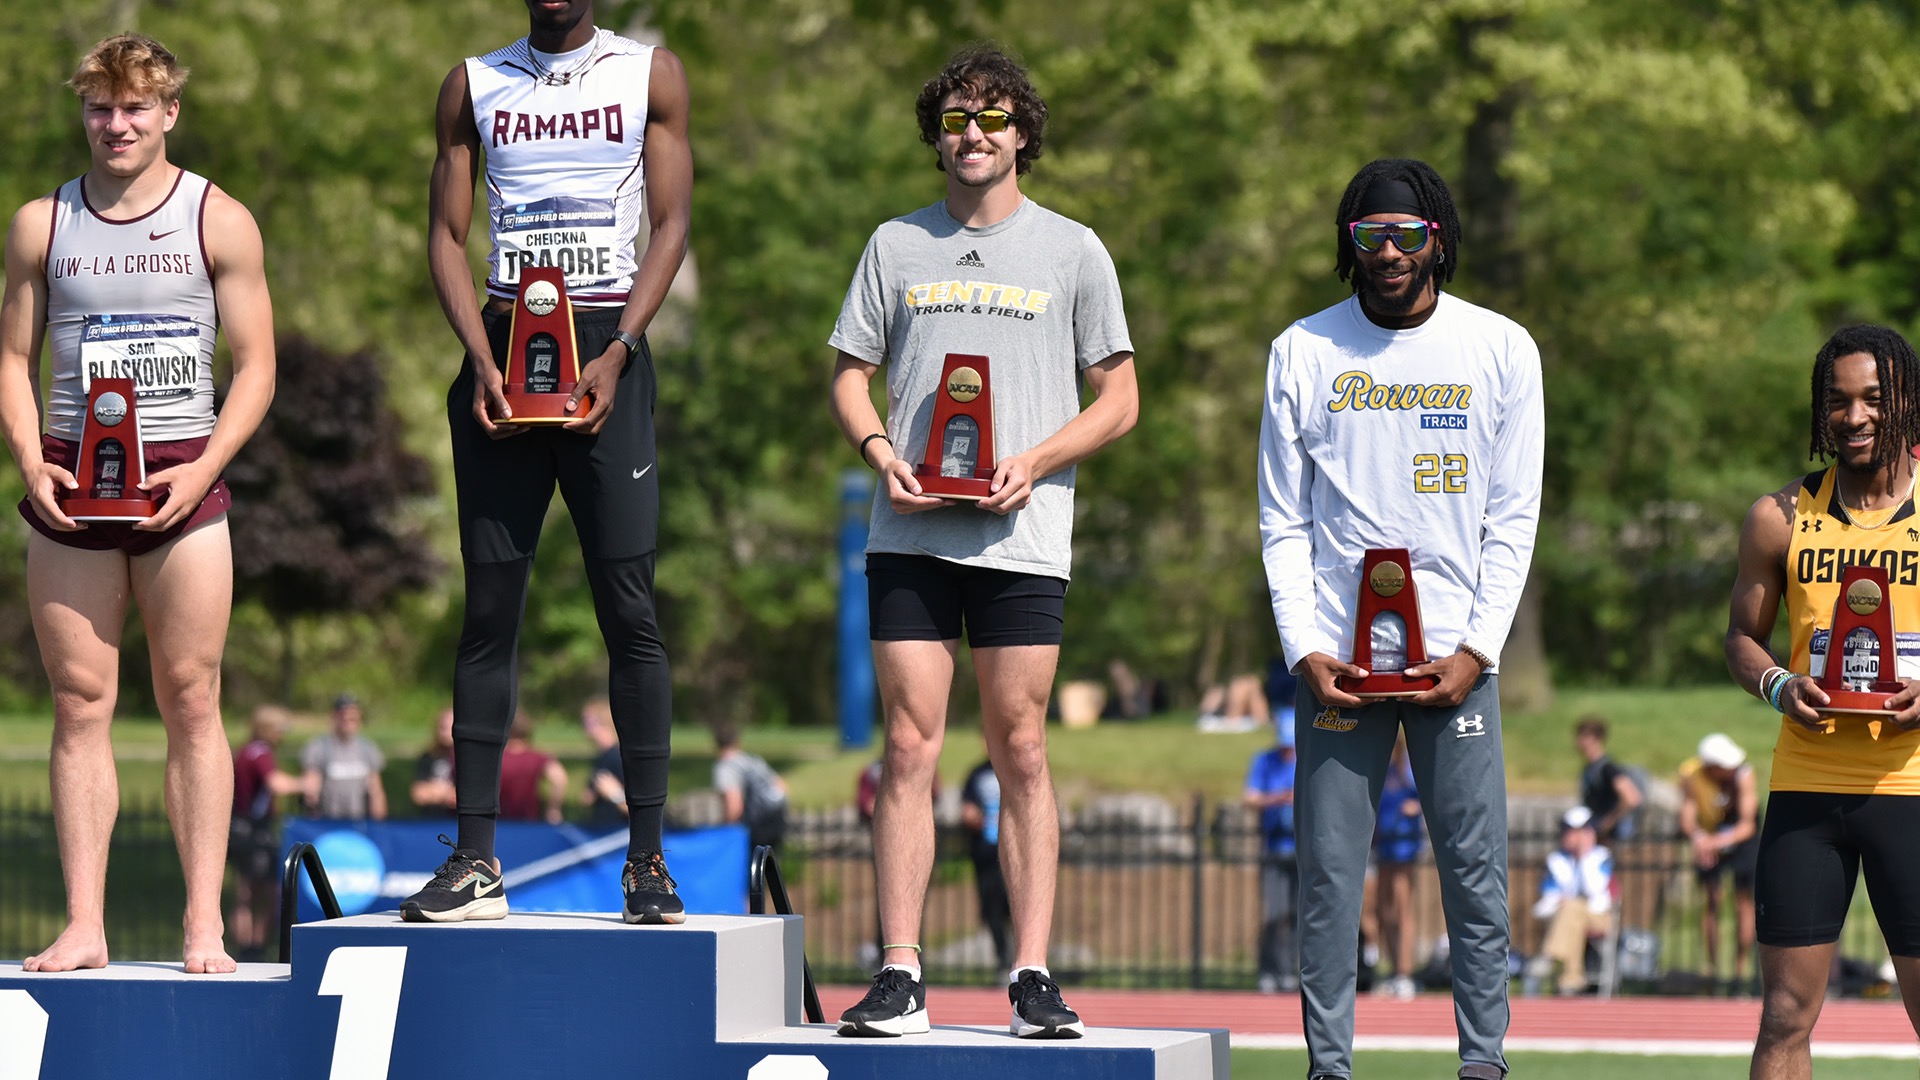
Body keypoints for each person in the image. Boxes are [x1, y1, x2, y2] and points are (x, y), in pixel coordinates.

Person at [826, 45, 1137, 1040]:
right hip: (909, 534)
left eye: (992, 118)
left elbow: (1121, 400)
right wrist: (880, 449)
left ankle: (1032, 974)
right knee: (909, 747)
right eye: (956, 119)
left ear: (1023, 135)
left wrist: (1036, 462)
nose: (973, 134)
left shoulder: (1074, 250)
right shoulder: (894, 244)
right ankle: (901, 972)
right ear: (937, 136)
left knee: (1023, 750)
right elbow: (847, 375)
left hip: (1021, 535)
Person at [404, 0, 692, 926]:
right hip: (502, 351)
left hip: (607, 350)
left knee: (630, 610)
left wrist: (621, 353)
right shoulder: (472, 81)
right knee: (488, 610)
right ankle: (476, 859)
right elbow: (447, 237)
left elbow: (672, 224)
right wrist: (481, 362)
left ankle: (646, 862)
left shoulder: (651, 73)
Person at [1257, 158, 1543, 1080]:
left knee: (1473, 874)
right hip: (1338, 662)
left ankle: (1482, 1064)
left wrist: (1479, 647)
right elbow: (1282, 518)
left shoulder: (1501, 348)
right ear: (1348, 243)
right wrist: (1303, 645)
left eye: (1408, 235)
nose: (1388, 252)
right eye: (1369, 235)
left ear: (1440, 242)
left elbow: (1514, 516)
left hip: (1455, 662)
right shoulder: (1301, 349)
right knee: (1332, 879)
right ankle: (1328, 1068)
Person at [0, 33, 277, 974]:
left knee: (191, 698)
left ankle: (205, 924)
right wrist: (31, 457)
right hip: (72, 486)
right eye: (98, 108)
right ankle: (85, 924)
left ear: (168, 114)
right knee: (80, 702)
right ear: (83, 113)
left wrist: (201, 470)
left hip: (179, 481)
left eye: (133, 108)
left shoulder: (219, 219)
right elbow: (12, 359)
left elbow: (257, 368)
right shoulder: (43, 223)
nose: (114, 125)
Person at [1727, 324, 1920, 1078]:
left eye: (1875, 397)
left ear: (1906, 399)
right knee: (1782, 1018)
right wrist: (1778, 684)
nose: (1856, 415)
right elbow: (1743, 638)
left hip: (1910, 787)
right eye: (1838, 401)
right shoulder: (1778, 516)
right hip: (1807, 788)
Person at [1676, 732, 1759, 989]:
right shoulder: (1694, 778)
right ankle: (1711, 967)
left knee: (1744, 903)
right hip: (1712, 838)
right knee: (1711, 901)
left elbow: (1747, 825)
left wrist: (1717, 842)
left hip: (1742, 843)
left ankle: (1739, 968)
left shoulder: (1743, 776)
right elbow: (1687, 818)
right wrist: (1701, 839)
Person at [229, 705, 304, 962]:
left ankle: (245, 948)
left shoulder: (244, 751)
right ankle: (254, 948)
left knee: (245, 891)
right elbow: (276, 784)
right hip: (254, 830)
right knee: (267, 892)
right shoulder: (260, 752)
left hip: (238, 828)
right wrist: (305, 783)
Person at [1522, 806, 1613, 997]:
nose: (1569, 836)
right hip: (1567, 918)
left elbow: (1594, 889)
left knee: (1572, 909)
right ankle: (1570, 980)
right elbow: (1548, 897)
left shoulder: (1601, 857)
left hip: (1599, 916)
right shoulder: (1556, 860)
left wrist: (1583, 855)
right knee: (1573, 915)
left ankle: (1549, 956)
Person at [1243, 712, 1299, 994]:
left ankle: (1289, 970)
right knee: (1274, 913)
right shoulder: (1264, 761)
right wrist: (1275, 799)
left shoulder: (1305, 757)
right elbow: (1250, 797)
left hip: (1302, 849)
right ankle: (1268, 970)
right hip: (1275, 847)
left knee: (1298, 915)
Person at [1371, 734, 1425, 1001]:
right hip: (1383, 847)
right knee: (1383, 910)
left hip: (1404, 847)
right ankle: (1395, 969)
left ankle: (1405, 973)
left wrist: (1413, 807)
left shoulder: (1407, 769)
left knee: (1403, 909)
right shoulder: (1380, 770)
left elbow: (1425, 797)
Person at [960, 757, 1012, 973]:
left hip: (1012, 853)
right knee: (992, 908)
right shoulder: (977, 774)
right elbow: (967, 807)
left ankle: (1023, 960)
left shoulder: (1014, 765)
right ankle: (1003, 957)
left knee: (1015, 907)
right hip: (986, 853)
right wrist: (972, 816)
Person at [301, 693, 388, 821]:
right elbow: (311, 785)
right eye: (343, 717)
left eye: (353, 718)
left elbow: (376, 789)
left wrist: (380, 822)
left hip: (358, 820)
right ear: (334, 717)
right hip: (327, 819)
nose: (348, 722)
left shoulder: (368, 748)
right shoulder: (319, 747)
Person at [712, 720, 789, 853]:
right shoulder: (752, 761)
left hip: (758, 826)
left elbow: (734, 806)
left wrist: (723, 832)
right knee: (771, 868)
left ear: (716, 744)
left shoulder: (726, 767)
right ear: (738, 742)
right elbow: (782, 787)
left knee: (752, 869)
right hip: (777, 818)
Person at [1574, 716, 1644, 842]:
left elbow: (1632, 798)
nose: (1578, 742)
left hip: (1610, 838)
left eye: (1583, 737)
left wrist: (1608, 822)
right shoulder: (1590, 768)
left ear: (1595, 739)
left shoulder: (1607, 768)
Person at [499, 711, 568, 824]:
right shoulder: (537, 757)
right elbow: (559, 778)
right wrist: (553, 809)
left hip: (501, 821)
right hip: (529, 819)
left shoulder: (498, 758)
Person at [579, 696, 627, 830]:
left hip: (619, 838)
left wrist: (615, 794)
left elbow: (639, 810)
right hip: (601, 831)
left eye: (587, 721)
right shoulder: (602, 757)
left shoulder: (619, 757)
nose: (584, 726)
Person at [409, 705, 458, 815]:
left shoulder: (467, 761)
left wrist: (434, 791)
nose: (444, 729)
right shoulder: (428, 757)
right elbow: (418, 794)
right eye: (442, 726)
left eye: (449, 725)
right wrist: (445, 794)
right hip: (432, 822)